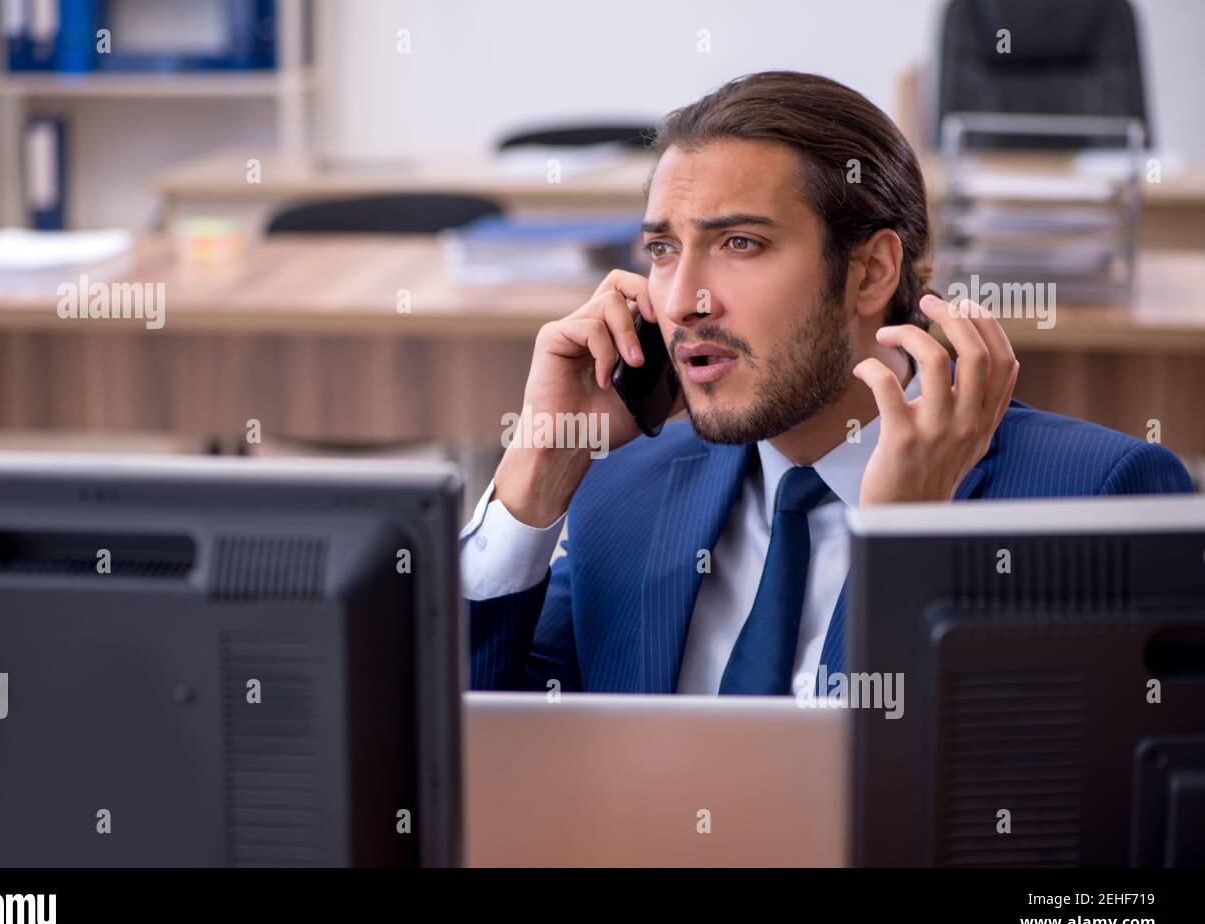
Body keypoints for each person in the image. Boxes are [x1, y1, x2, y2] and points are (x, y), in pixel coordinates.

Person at [460, 71, 1193, 695]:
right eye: (662, 248)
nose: (682, 300)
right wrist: (537, 473)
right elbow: (475, 761)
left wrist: (902, 552)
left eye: (740, 243)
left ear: (870, 271)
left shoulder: (1097, 498)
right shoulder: (622, 492)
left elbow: (1046, 811)